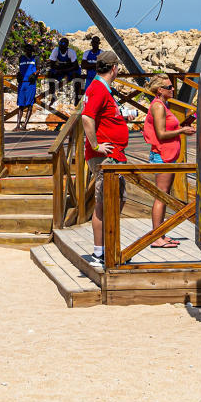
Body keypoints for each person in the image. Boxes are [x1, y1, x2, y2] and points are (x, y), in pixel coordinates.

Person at [81, 49, 129, 267]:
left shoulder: (100, 88)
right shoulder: (99, 88)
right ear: (114, 68)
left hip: (113, 155)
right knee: (103, 203)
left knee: (116, 199)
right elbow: (87, 117)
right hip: (105, 157)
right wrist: (95, 145)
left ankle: (109, 248)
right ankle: (99, 253)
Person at [142, 73, 195, 249]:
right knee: (161, 196)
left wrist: (181, 127)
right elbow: (161, 134)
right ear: (160, 90)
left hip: (168, 155)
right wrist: (182, 131)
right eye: (169, 87)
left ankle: (161, 234)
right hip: (162, 155)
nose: (173, 89)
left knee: (164, 196)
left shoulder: (163, 104)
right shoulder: (158, 106)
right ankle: (157, 237)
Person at [48, 37, 78, 109]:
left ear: (67, 45)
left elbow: (75, 66)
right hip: (61, 67)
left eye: (63, 43)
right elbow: (51, 64)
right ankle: (53, 96)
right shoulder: (56, 50)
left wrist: (64, 70)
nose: (61, 45)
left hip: (70, 68)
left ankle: (77, 97)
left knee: (77, 77)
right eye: (60, 43)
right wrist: (58, 70)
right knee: (50, 73)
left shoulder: (71, 52)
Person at [14, 44, 39, 130]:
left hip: (31, 83)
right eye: (26, 50)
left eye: (29, 50)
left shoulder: (35, 58)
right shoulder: (21, 58)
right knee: (20, 104)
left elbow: (38, 69)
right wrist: (18, 74)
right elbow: (20, 68)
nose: (28, 51)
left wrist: (34, 74)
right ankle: (18, 125)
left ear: (32, 51)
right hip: (22, 83)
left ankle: (24, 125)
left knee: (29, 105)